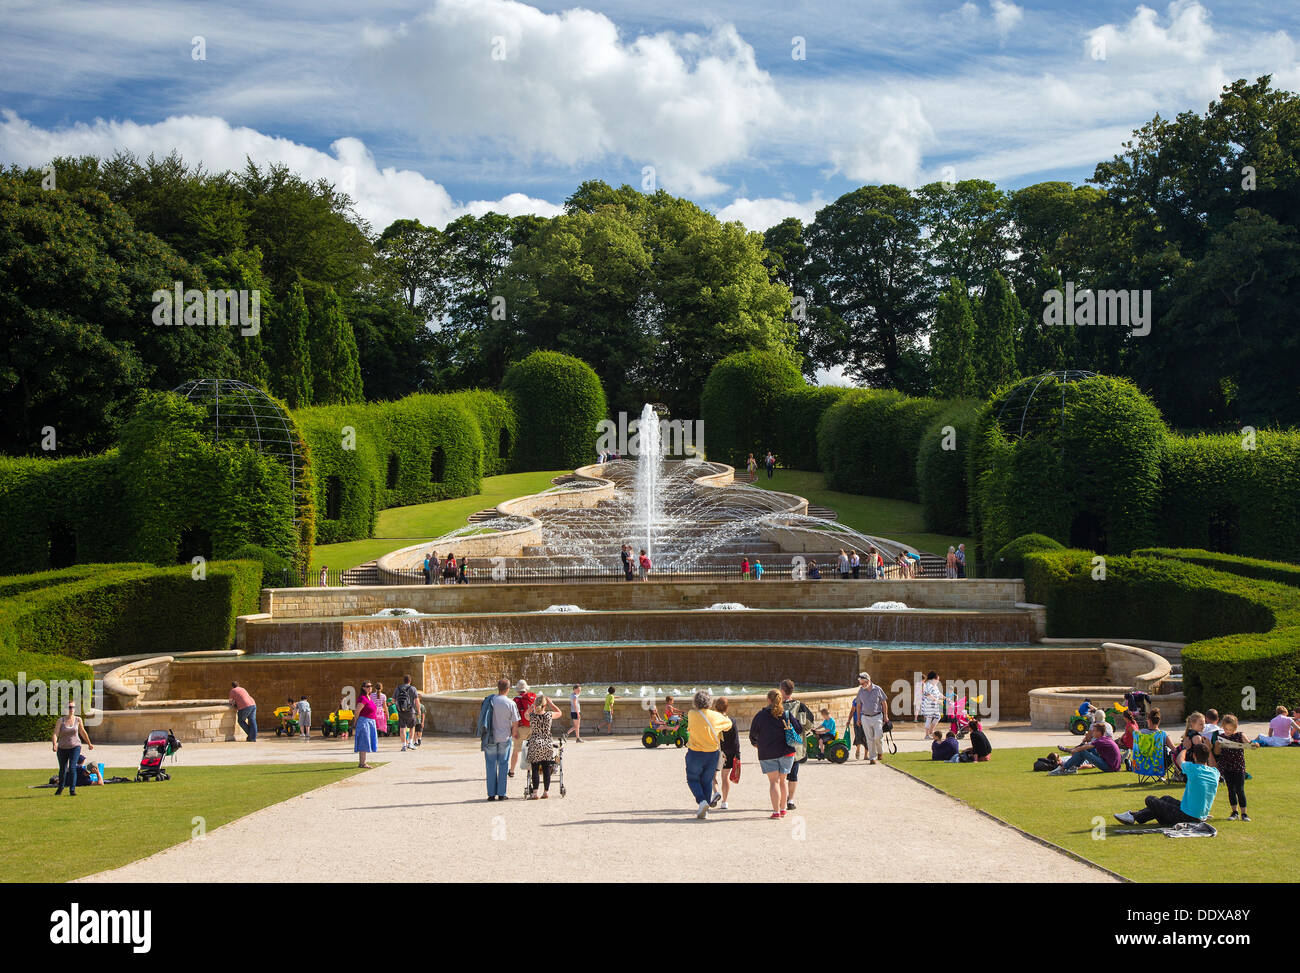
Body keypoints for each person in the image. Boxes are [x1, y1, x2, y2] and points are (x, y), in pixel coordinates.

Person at [1114, 742, 1219, 827]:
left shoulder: (1193, 769)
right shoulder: (1215, 772)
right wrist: (1209, 750)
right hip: (1198, 815)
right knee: (1166, 798)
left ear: (1194, 756)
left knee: (1150, 799)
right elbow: (1213, 765)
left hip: (1187, 817)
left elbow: (1179, 760)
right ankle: (1134, 817)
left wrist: (1185, 747)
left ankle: (1133, 816)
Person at [750, 689, 800, 819]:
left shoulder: (761, 715)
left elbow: (752, 735)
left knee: (773, 782)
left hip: (767, 752)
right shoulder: (787, 714)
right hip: (787, 752)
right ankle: (783, 809)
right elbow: (799, 729)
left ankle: (776, 811)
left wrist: (757, 744)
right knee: (783, 781)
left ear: (768, 700)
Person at [683, 690, 733, 819]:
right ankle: (704, 811)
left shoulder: (691, 714)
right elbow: (729, 725)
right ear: (709, 702)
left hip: (695, 753)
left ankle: (702, 801)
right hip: (712, 753)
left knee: (692, 779)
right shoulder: (715, 716)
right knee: (706, 780)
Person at [478, 678, 519, 800]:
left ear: (498, 688)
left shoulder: (490, 700)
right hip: (504, 737)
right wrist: (514, 732)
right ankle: (502, 794)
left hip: (490, 737)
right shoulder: (511, 703)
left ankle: (491, 794)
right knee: (503, 764)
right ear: (508, 689)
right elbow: (515, 721)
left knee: (490, 765)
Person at [780, 679, 816, 810]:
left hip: (780, 746)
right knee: (793, 775)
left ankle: (781, 800)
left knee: (781, 775)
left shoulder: (777, 706)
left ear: (782, 691)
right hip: (796, 745)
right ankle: (790, 800)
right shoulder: (800, 706)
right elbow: (809, 723)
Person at [51, 700, 94, 797]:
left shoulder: (78, 720)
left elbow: (82, 732)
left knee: (72, 767)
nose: (71, 709)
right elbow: (55, 734)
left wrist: (89, 743)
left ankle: (72, 789)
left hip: (75, 746)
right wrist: (54, 744)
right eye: (70, 707)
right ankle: (61, 787)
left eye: (73, 707)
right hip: (62, 747)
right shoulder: (61, 721)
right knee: (63, 769)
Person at [1212, 714, 1250, 821]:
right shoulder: (1221, 737)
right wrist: (1216, 745)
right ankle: (1234, 812)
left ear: (1235, 727)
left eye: (1230, 729)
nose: (1228, 731)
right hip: (1227, 767)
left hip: (1238, 767)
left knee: (1240, 790)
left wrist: (1254, 744)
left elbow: (1249, 743)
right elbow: (1217, 753)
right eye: (1225, 729)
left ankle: (1244, 814)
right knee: (1231, 790)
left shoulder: (1240, 735)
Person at [526, 694, 563, 799]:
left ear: (536, 704)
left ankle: (535, 793)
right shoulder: (549, 715)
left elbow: (525, 714)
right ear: (545, 705)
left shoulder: (532, 716)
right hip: (547, 743)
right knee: (546, 768)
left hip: (535, 743)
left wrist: (532, 706)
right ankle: (546, 792)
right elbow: (560, 713)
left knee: (535, 769)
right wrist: (552, 703)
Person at [1050, 722, 1121, 774]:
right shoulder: (1105, 738)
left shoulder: (1100, 740)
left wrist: (1074, 750)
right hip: (1114, 766)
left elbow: (1086, 747)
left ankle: (1063, 768)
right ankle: (1073, 767)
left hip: (1109, 767)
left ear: (1099, 732)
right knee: (1085, 749)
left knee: (1082, 751)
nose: (1092, 733)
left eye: (1094, 731)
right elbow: (1088, 747)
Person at [851, 672, 888, 764]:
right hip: (865, 718)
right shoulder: (860, 691)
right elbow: (858, 706)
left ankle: (880, 752)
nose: (861, 685)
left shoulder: (878, 689)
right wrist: (858, 719)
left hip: (877, 716)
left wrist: (886, 716)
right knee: (869, 738)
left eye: (863, 683)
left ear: (868, 681)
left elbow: (884, 703)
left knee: (878, 737)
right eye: (860, 683)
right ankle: (872, 758)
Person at [712, 697, 741, 810]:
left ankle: (715, 793)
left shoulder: (713, 721)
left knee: (712, 776)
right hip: (728, 752)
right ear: (727, 707)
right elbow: (736, 740)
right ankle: (724, 802)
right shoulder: (731, 721)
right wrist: (737, 754)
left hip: (715, 751)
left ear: (715, 707)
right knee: (725, 778)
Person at [510, 679, 537, 776]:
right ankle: (532, 770)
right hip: (533, 727)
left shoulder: (516, 700)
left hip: (521, 728)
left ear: (518, 690)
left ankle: (512, 771)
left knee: (516, 751)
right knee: (532, 749)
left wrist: (514, 730)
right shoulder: (533, 698)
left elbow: (514, 717)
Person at [353, 681, 380, 769]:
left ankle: (363, 762)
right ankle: (362, 763)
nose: (370, 687)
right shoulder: (362, 698)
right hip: (364, 722)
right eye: (368, 686)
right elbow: (357, 711)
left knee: (367, 741)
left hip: (370, 721)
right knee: (364, 741)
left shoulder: (369, 697)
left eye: (371, 686)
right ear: (363, 688)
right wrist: (355, 722)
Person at [394, 675, 419, 752]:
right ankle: (410, 743)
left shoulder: (398, 688)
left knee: (402, 728)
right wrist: (418, 710)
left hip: (401, 711)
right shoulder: (413, 688)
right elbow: (416, 700)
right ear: (410, 681)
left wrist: (398, 707)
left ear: (403, 681)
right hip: (411, 711)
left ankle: (404, 745)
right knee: (412, 727)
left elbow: (393, 700)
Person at [918, 671, 944, 739]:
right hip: (928, 705)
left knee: (938, 716)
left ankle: (931, 731)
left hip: (934, 705)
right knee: (929, 718)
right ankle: (927, 735)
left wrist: (945, 698)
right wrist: (937, 700)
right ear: (933, 679)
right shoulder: (927, 685)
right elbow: (927, 694)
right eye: (937, 679)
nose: (938, 681)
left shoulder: (935, 686)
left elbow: (939, 694)